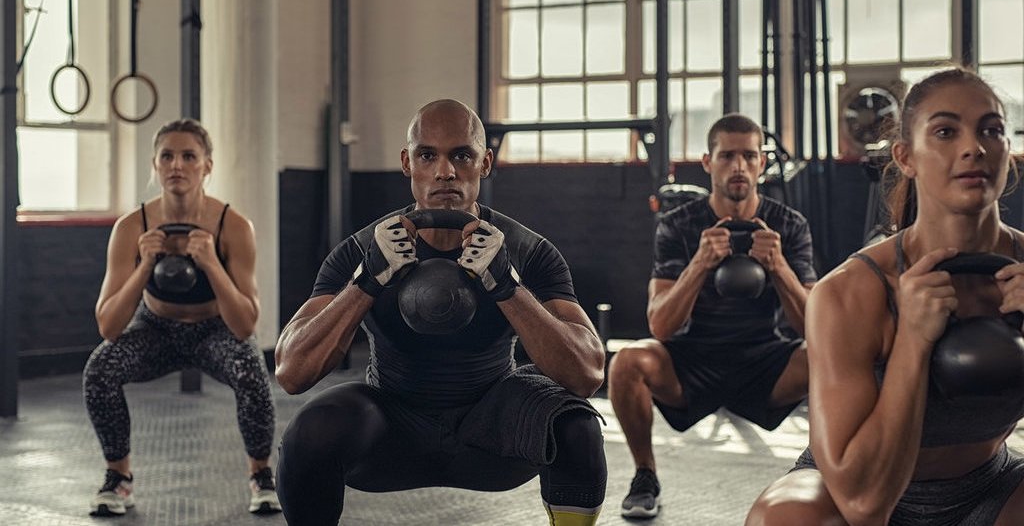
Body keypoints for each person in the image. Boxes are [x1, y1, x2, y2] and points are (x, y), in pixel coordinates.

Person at [273, 99, 608, 526]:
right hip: (392, 425)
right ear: (407, 162)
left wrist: (507, 285)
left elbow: (588, 373)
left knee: (577, 428)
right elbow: (290, 371)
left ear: (485, 163)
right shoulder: (361, 250)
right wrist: (367, 281)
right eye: (427, 155)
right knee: (310, 433)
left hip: (493, 429)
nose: (445, 172)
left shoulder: (527, 250)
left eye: (462, 155)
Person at [745, 68, 1024, 525]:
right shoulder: (849, 292)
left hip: (990, 487)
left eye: (991, 130)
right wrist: (912, 340)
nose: (974, 147)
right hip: (850, 488)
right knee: (785, 518)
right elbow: (863, 503)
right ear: (906, 157)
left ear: (1007, 152)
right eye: (945, 131)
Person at [608, 113, 817, 518]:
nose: (738, 166)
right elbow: (661, 325)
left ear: (762, 163)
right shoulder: (677, 226)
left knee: (827, 356)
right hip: (693, 360)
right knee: (627, 363)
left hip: (766, 360)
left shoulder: (789, 226)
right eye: (727, 156)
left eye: (749, 156)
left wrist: (779, 268)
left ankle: (819, 472)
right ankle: (645, 475)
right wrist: (700, 264)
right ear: (708, 162)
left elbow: (813, 326)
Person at [83, 119, 281, 516]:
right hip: (154, 328)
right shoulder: (131, 227)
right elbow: (108, 326)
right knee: (99, 369)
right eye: (167, 156)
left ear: (207, 166)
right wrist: (145, 265)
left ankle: (261, 475)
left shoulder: (234, 226)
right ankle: (118, 478)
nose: (177, 165)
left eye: (189, 156)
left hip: (214, 330)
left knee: (250, 370)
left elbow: (245, 326)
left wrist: (211, 264)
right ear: (154, 166)